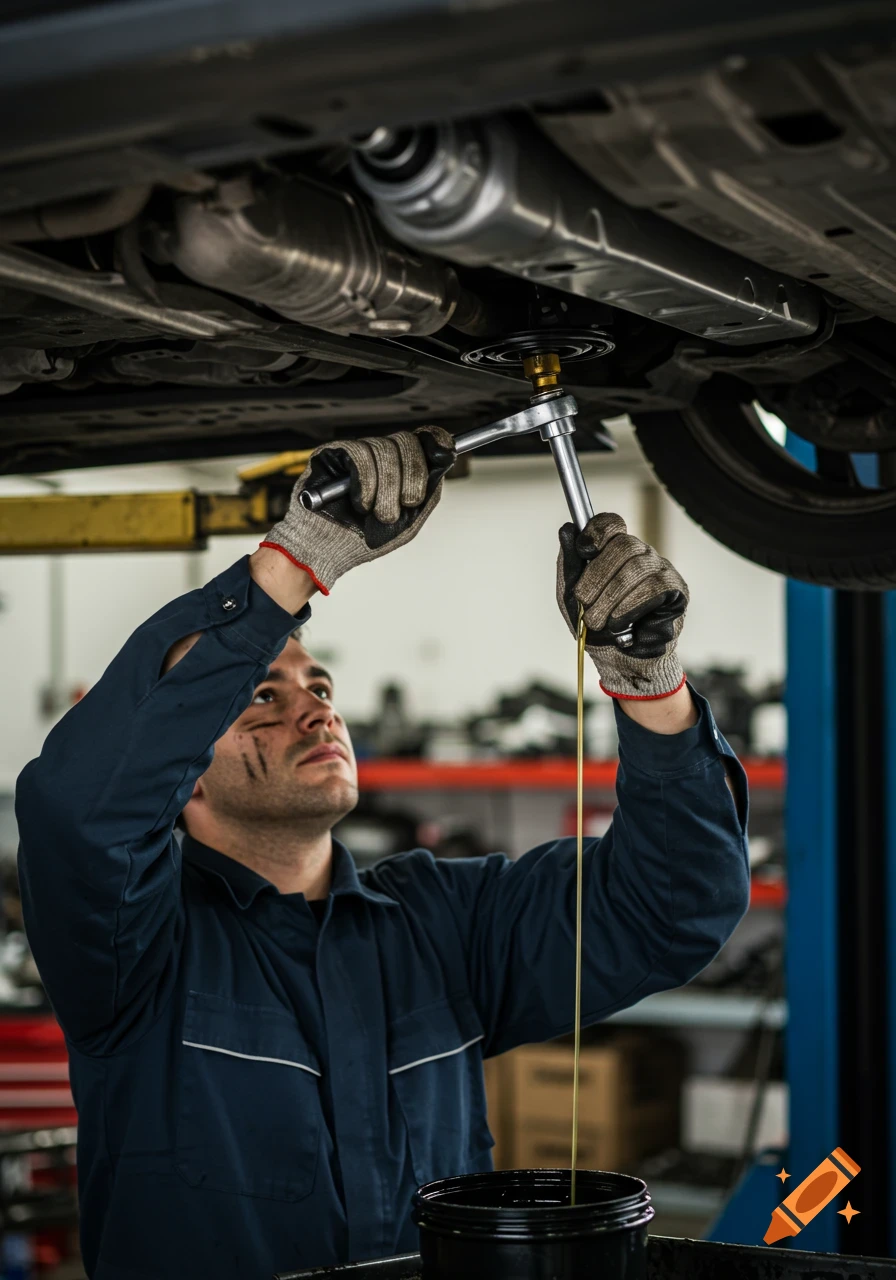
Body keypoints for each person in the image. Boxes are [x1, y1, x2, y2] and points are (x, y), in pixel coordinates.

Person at [16, 427, 749, 1280]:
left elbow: (674, 907)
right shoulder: (134, 955)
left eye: (320, 687)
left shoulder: (443, 924)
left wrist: (649, 683)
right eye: (262, 697)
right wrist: (293, 563)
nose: (316, 711)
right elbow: (79, 812)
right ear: (180, 773)